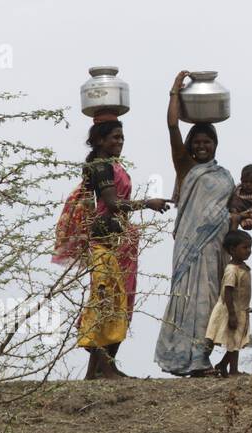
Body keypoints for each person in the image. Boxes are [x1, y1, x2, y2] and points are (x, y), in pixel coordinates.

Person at [53, 112, 169, 379]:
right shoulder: (101, 167)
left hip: (119, 240)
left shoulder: (110, 165)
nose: (120, 142)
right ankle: (106, 367)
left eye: (122, 137)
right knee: (106, 301)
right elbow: (114, 204)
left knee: (119, 301)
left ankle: (97, 371)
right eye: (115, 137)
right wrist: (147, 204)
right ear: (100, 140)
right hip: (105, 240)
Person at [156, 71, 242, 377]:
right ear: (191, 145)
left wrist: (241, 220)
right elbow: (171, 126)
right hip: (190, 248)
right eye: (198, 141)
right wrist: (174, 92)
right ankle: (193, 360)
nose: (202, 146)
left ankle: (202, 357)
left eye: (208, 141)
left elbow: (231, 209)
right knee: (191, 299)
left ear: (215, 145)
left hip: (216, 248)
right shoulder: (186, 166)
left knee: (212, 298)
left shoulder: (225, 176)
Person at [207, 230, 252, 377]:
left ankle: (222, 365)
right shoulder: (232, 270)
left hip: (240, 310)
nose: (249, 251)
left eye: (250, 247)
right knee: (233, 342)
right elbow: (227, 291)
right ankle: (232, 370)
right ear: (233, 250)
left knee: (236, 341)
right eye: (245, 247)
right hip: (231, 310)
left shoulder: (243, 268)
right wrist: (232, 314)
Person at [228, 164, 252, 231]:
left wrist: (240, 215)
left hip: (241, 216)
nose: (248, 184)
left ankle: (231, 234)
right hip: (225, 210)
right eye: (245, 181)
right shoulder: (237, 188)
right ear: (241, 180)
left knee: (242, 221)